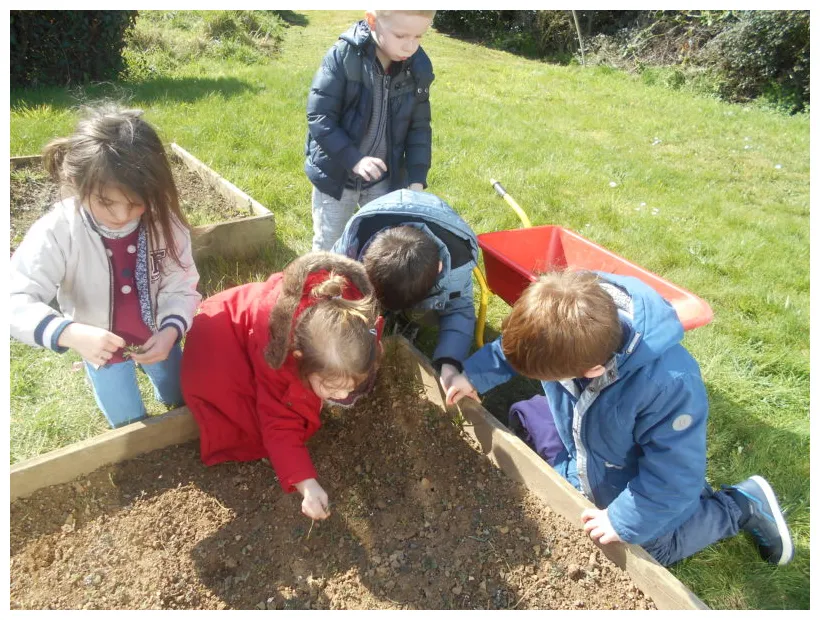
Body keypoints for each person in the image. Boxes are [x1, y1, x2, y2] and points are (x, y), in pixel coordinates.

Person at [445, 270, 794, 567]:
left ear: (593, 371)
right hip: (596, 452)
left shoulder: (668, 386)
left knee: (649, 548)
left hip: (649, 477)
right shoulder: (563, 322)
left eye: (552, 378)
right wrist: (473, 376)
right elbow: (517, 348)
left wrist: (621, 520)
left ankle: (741, 505)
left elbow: (675, 476)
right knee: (556, 490)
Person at [10, 105, 201, 429]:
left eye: (135, 203)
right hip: (100, 352)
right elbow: (14, 297)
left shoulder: (164, 223)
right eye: (106, 202)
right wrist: (70, 333)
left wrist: (171, 331)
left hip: (158, 338)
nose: (121, 216)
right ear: (77, 182)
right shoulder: (58, 230)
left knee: (180, 398)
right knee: (127, 422)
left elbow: (180, 284)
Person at [180, 253, 384, 521]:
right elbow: (279, 423)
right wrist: (306, 484)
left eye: (349, 387)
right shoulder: (280, 360)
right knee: (248, 418)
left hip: (251, 327)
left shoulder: (355, 324)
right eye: (333, 388)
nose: (344, 396)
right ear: (300, 360)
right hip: (218, 345)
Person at [305, 9, 436, 251]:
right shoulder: (343, 56)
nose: (410, 46)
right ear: (372, 21)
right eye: (400, 36)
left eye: (418, 36)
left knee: (379, 246)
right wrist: (354, 159)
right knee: (329, 244)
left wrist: (417, 179)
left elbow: (419, 128)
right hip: (337, 175)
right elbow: (320, 117)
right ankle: (326, 276)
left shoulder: (418, 67)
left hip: (383, 179)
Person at [333, 189, 479, 386]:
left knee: (428, 313)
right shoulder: (356, 240)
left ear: (439, 268)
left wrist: (450, 362)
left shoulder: (457, 264)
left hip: (436, 225)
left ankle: (410, 319)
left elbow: (459, 309)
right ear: (365, 260)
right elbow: (330, 278)